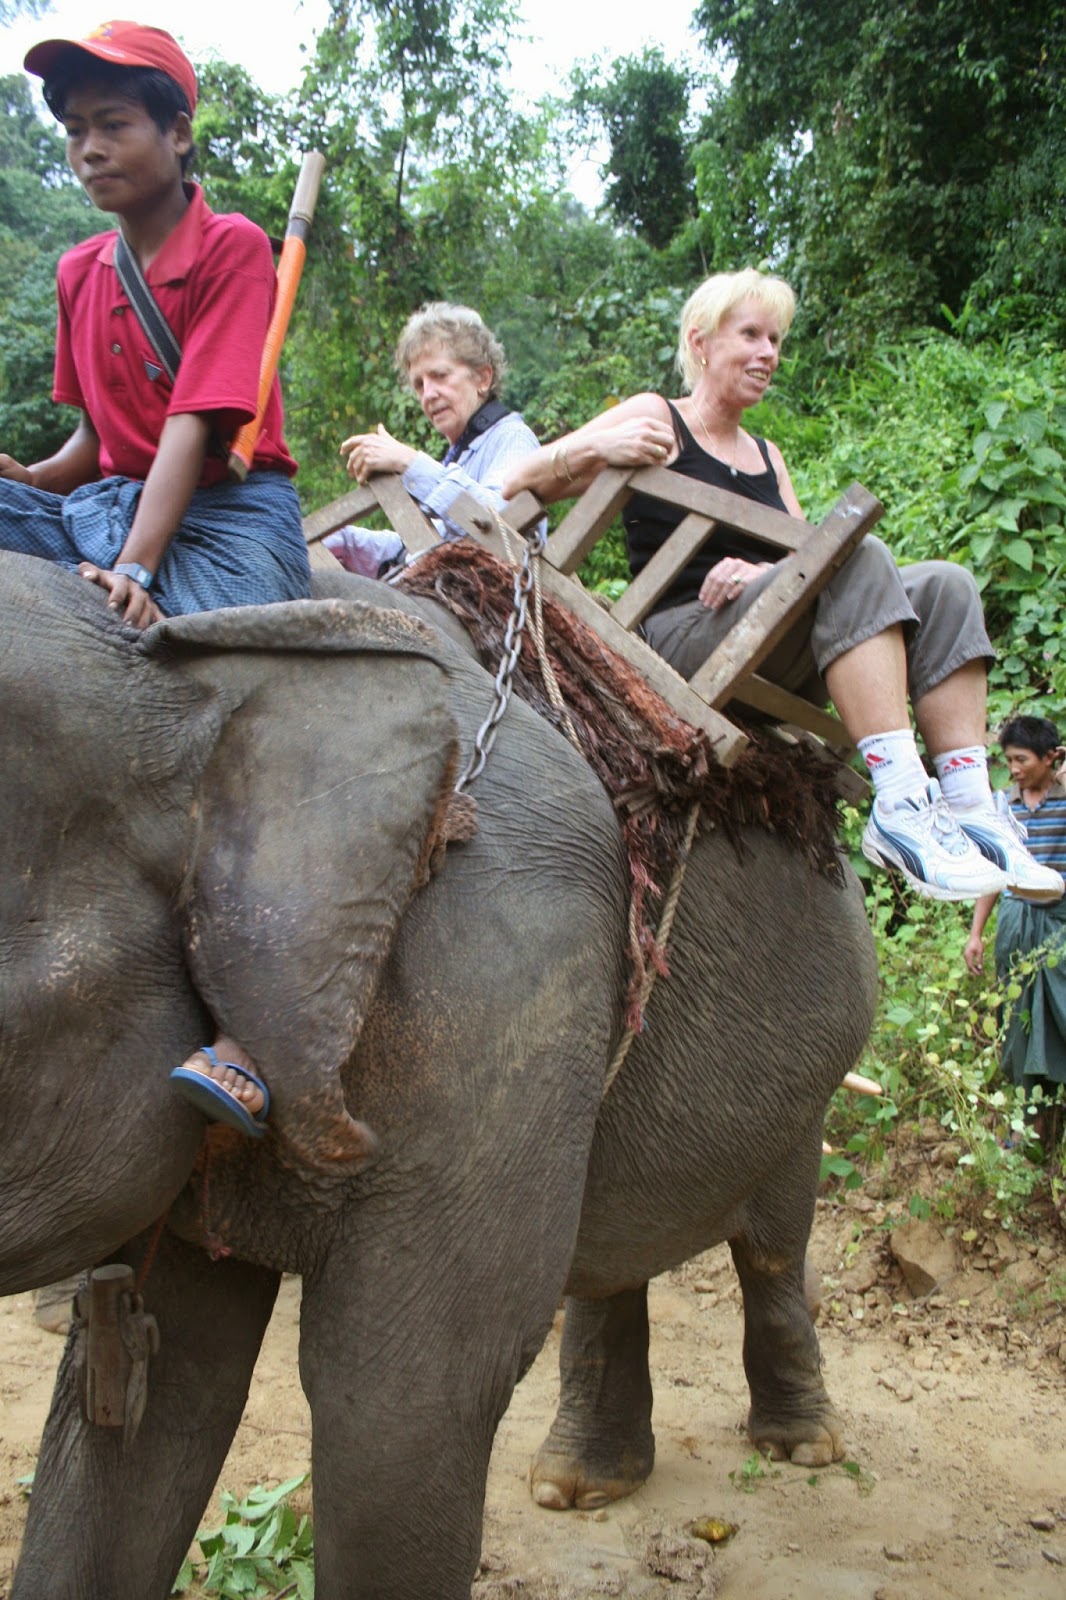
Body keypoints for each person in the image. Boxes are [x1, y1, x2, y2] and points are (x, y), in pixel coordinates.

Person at [503, 267, 1065, 909]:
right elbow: (515, 481)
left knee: (947, 585)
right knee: (863, 552)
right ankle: (902, 802)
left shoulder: (769, 455)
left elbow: (807, 561)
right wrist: (601, 443)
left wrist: (761, 574)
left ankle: (969, 807)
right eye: (751, 335)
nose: (769, 353)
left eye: (776, 339)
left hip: (766, 635)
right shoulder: (657, 415)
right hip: (684, 636)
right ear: (702, 342)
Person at [1, 20, 313, 1139]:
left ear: (178, 135)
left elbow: (192, 421)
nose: (89, 147)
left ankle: (264, 1024)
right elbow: (96, 437)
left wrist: (136, 565)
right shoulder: (80, 269)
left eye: (115, 123)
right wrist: (28, 476)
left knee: (257, 713)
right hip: (113, 499)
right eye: (76, 130)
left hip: (226, 518)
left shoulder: (229, 249)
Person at [325, 302, 541, 574]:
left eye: (439, 376)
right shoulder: (461, 455)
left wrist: (409, 462)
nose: (428, 394)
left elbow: (498, 526)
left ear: (483, 378)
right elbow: (422, 545)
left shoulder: (512, 438)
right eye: (419, 384)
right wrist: (345, 542)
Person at [964, 717, 1066, 1144]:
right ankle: (1033, 1121)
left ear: (1050, 758)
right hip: (1016, 923)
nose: (1015, 769)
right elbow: (993, 872)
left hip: (1059, 924)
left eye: (1023, 759)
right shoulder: (1003, 805)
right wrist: (976, 933)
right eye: (1009, 760)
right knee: (1020, 1023)